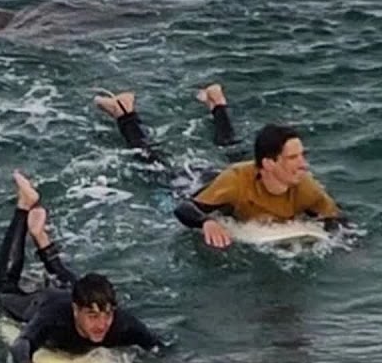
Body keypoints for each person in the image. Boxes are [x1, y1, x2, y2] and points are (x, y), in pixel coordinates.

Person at [93, 83, 348, 249]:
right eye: (294, 158)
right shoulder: (235, 181)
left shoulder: (305, 185)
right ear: (270, 163)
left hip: (244, 177)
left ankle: (217, 101)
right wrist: (207, 223)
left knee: (230, 148)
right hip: (202, 182)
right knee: (155, 166)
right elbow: (185, 208)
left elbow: (338, 220)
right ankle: (124, 111)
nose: (304, 164)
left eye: (302, 155)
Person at [0, 170, 167, 363]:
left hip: (73, 291)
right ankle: (24, 206)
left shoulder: (122, 324)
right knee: (3, 288)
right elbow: (22, 343)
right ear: (76, 311)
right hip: (43, 301)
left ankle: (41, 236)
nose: (102, 325)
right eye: (93, 316)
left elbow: (159, 347)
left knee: (69, 280)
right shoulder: (53, 319)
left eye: (107, 315)